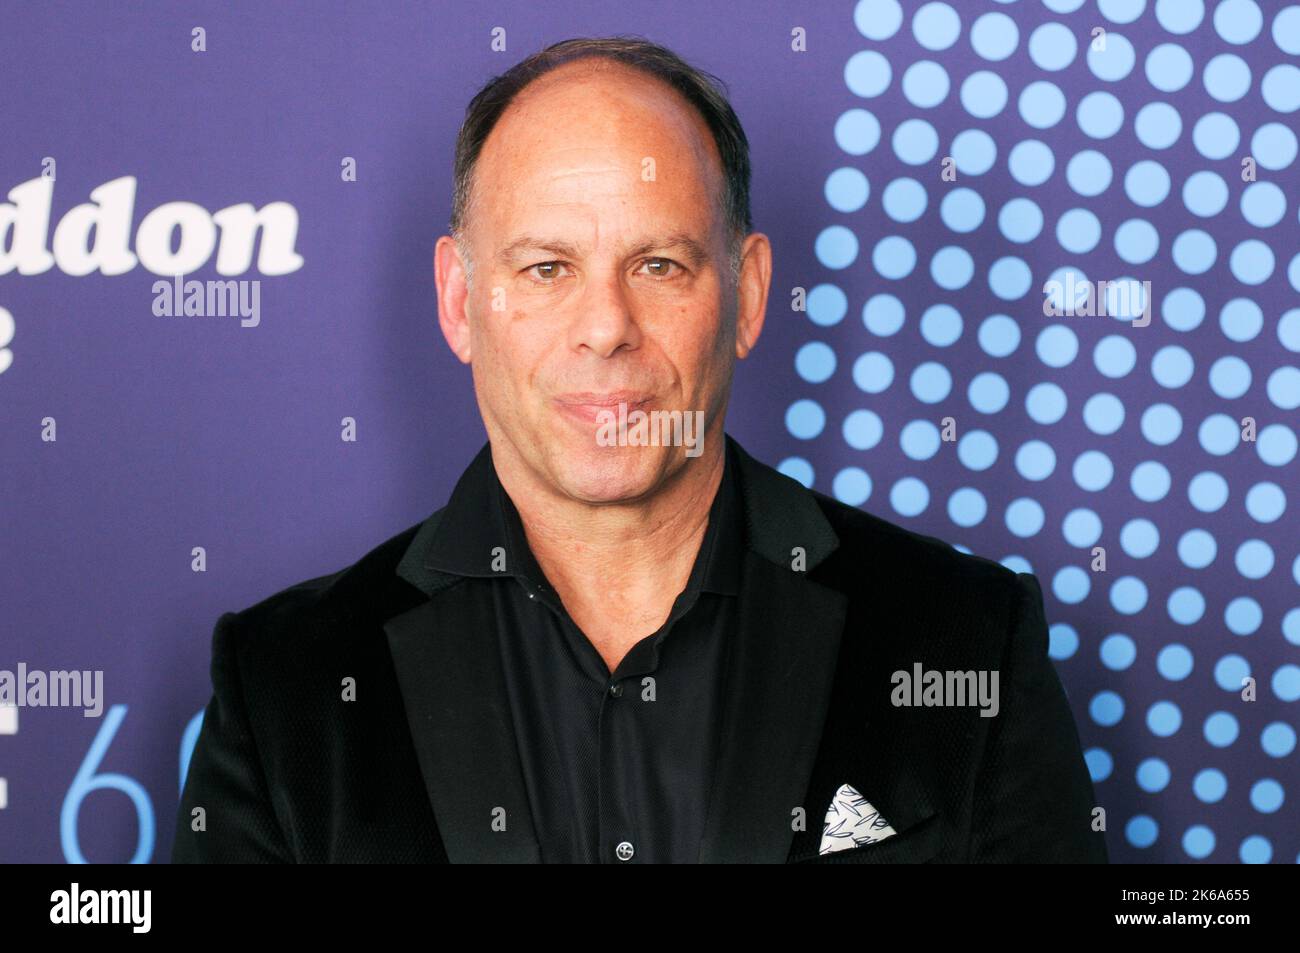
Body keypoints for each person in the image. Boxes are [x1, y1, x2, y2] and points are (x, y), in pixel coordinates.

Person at [172, 35, 1106, 864]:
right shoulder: (284, 685)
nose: (606, 328)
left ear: (745, 295)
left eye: (659, 265)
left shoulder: (968, 634)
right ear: (461, 301)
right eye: (547, 268)